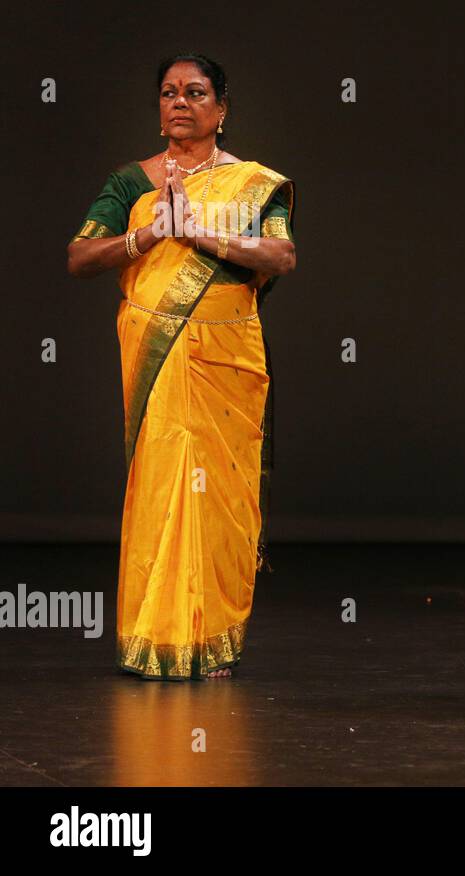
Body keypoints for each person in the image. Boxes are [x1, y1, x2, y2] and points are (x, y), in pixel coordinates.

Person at [68, 53, 297, 680]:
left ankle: (214, 636)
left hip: (228, 355)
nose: (180, 102)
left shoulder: (252, 182)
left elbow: (280, 254)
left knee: (222, 491)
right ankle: (154, 636)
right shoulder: (131, 183)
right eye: (168, 92)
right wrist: (145, 236)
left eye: (196, 93)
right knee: (164, 480)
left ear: (221, 110)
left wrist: (202, 236)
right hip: (157, 354)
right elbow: (81, 256)